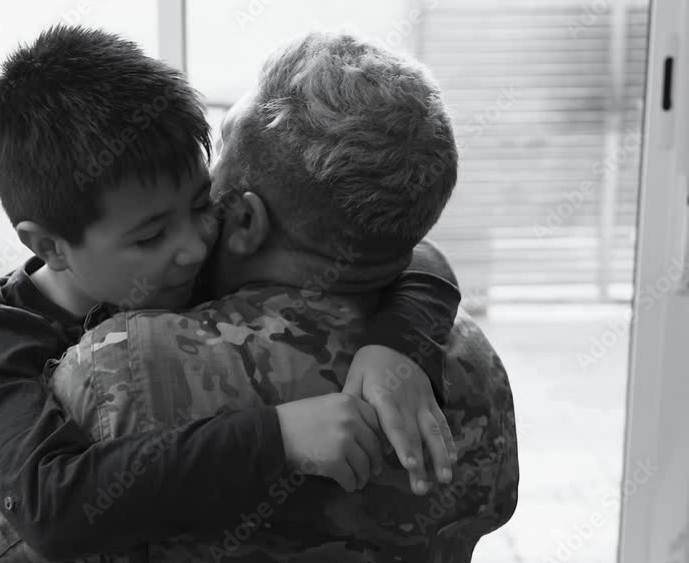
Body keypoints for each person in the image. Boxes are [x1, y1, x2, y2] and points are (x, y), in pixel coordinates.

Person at [0, 25, 461, 561]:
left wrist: (397, 345)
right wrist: (276, 440)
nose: (196, 245)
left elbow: (418, 255)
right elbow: (50, 507)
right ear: (49, 245)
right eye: (152, 234)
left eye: (203, 203)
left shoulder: (176, 264)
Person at [47, 31, 519, 561]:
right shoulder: (474, 367)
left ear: (246, 220)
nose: (203, 174)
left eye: (221, 147)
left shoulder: (122, 367)